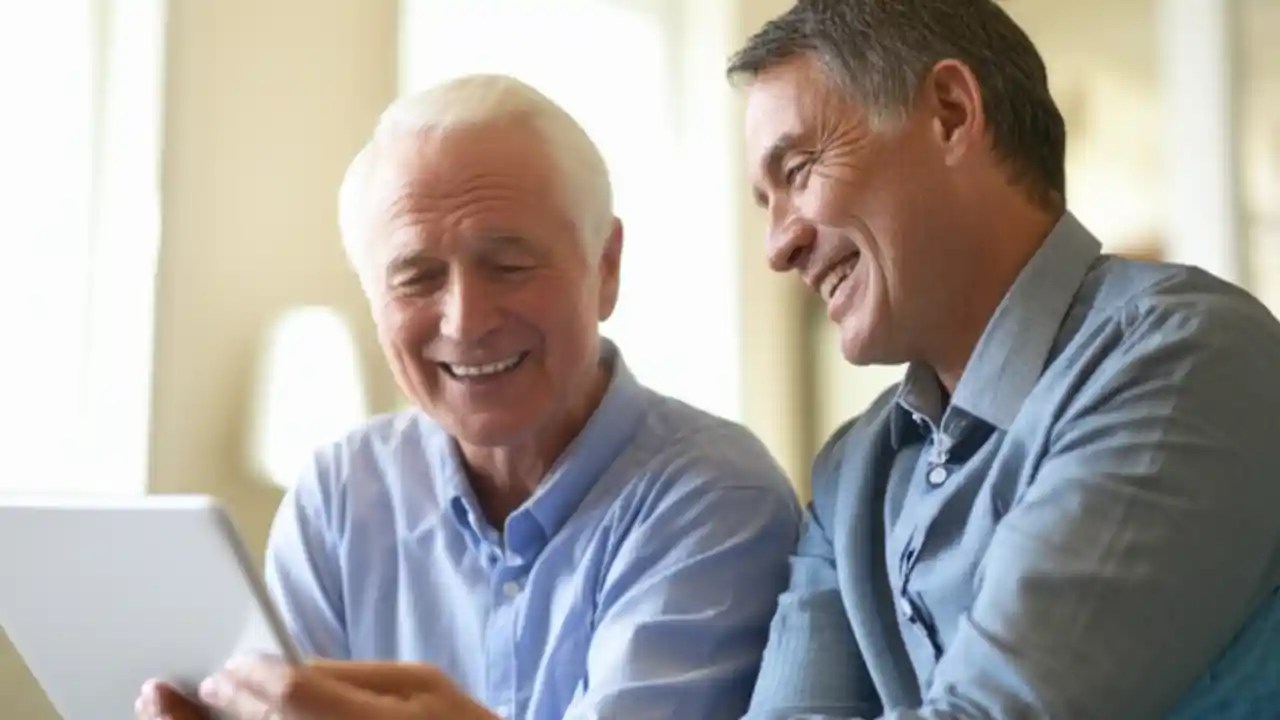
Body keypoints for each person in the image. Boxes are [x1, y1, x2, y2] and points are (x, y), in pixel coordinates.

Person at [136, 73, 800, 720]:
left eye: (509, 267)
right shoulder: (342, 494)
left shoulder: (716, 497)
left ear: (606, 266)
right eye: (417, 277)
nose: (465, 321)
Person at [731, 0, 1280, 718]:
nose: (779, 247)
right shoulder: (851, 477)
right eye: (764, 202)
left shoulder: (1188, 357)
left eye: (799, 169)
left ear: (953, 114)